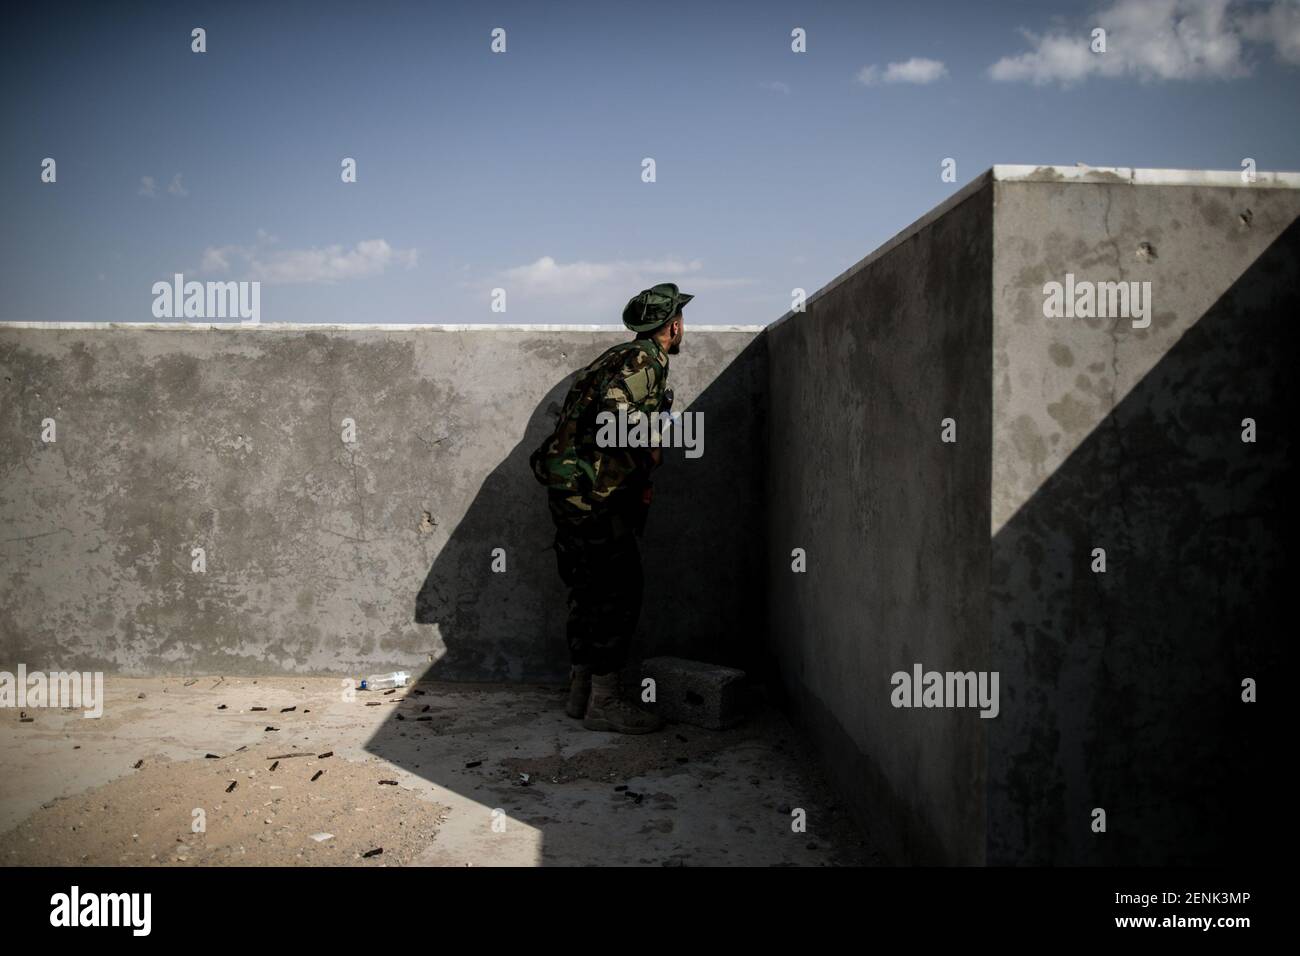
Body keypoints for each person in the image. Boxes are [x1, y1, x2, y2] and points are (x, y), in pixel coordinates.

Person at [528, 283, 689, 733]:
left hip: (572, 488)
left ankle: (582, 693)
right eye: (681, 321)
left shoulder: (616, 357)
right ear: (672, 326)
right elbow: (615, 413)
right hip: (593, 494)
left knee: (588, 587)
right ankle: (605, 701)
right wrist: (653, 444)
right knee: (619, 591)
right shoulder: (645, 360)